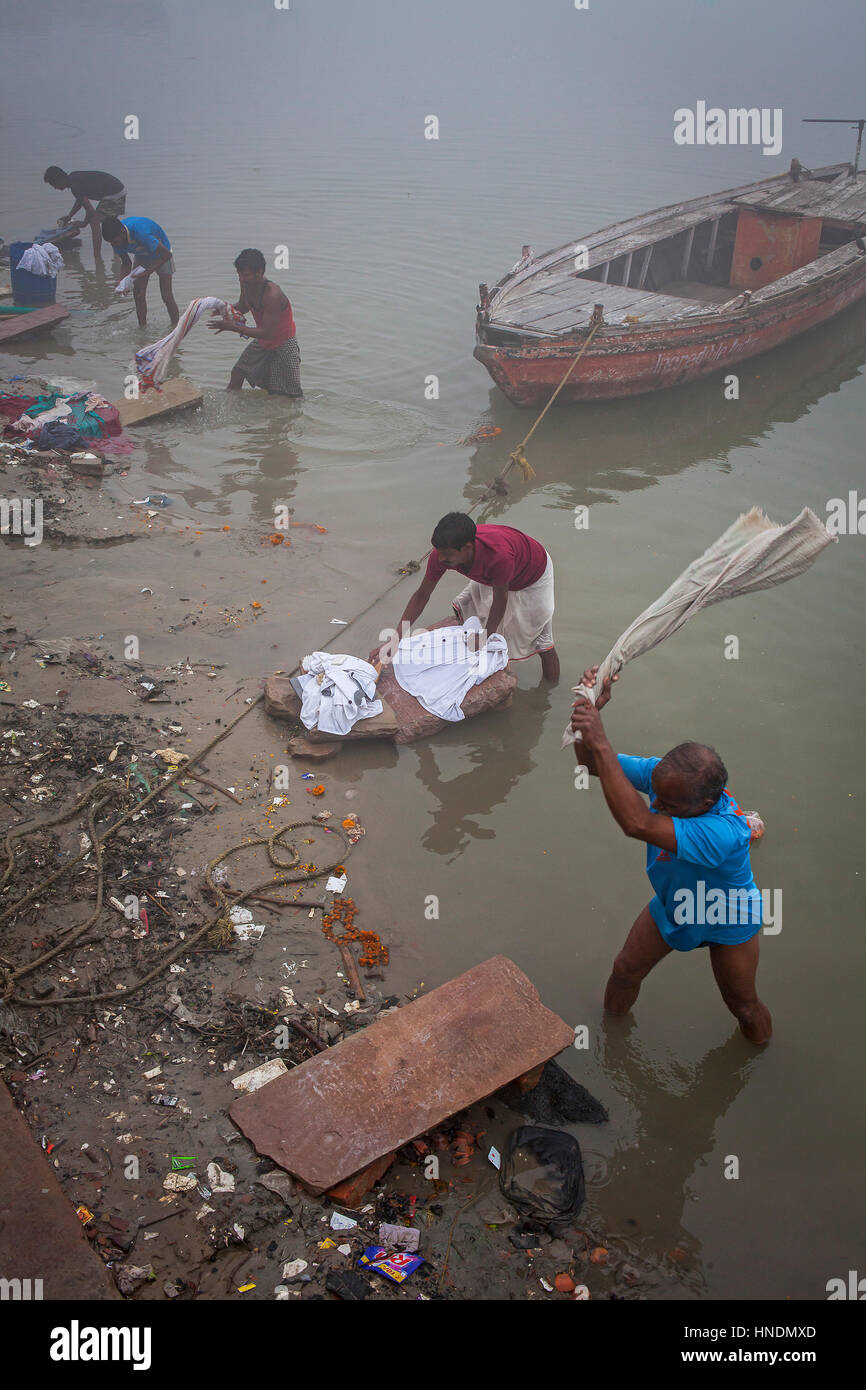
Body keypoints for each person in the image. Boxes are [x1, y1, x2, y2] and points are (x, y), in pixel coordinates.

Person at [569, 666, 772, 1043]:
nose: (658, 803)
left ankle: (761, 1055)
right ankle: (609, 1040)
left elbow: (637, 824)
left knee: (743, 1005)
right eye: (655, 794)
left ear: (706, 803)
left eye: (669, 803)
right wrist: (587, 716)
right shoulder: (665, 779)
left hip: (727, 914)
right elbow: (592, 764)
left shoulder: (721, 833)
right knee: (625, 970)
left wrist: (599, 740)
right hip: (675, 902)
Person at [371, 512, 559, 678]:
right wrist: (396, 638)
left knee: (542, 641)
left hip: (532, 575)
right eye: (440, 552)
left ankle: (548, 695)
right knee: (469, 611)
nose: (441, 559)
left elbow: (500, 599)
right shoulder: (441, 555)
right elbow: (422, 595)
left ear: (468, 548)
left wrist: (485, 637)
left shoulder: (498, 556)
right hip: (493, 576)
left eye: (447, 554)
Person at [208, 249, 302, 397]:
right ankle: (231, 408)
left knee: (287, 395)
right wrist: (226, 310)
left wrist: (233, 327)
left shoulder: (272, 295)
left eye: (245, 275)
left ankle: (290, 418)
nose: (241, 279)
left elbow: (267, 332)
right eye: (239, 274)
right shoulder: (246, 286)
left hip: (283, 343)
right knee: (238, 372)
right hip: (264, 341)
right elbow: (244, 305)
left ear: (260, 273)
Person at [100, 215, 178, 327]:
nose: (114, 245)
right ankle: (142, 328)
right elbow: (126, 263)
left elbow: (167, 255)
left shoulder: (141, 233)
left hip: (162, 253)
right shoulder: (115, 239)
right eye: (111, 243)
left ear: (122, 232)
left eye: (116, 242)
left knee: (166, 295)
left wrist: (148, 272)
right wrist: (122, 282)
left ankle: (176, 327)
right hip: (142, 255)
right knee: (138, 294)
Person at [43, 167, 127, 258]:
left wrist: (83, 224)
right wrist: (69, 216)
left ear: (60, 179)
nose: (55, 188)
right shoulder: (73, 178)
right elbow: (80, 201)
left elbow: (90, 211)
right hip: (118, 189)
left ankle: (97, 257)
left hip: (113, 194)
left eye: (54, 184)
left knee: (94, 222)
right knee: (111, 224)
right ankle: (118, 253)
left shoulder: (75, 185)